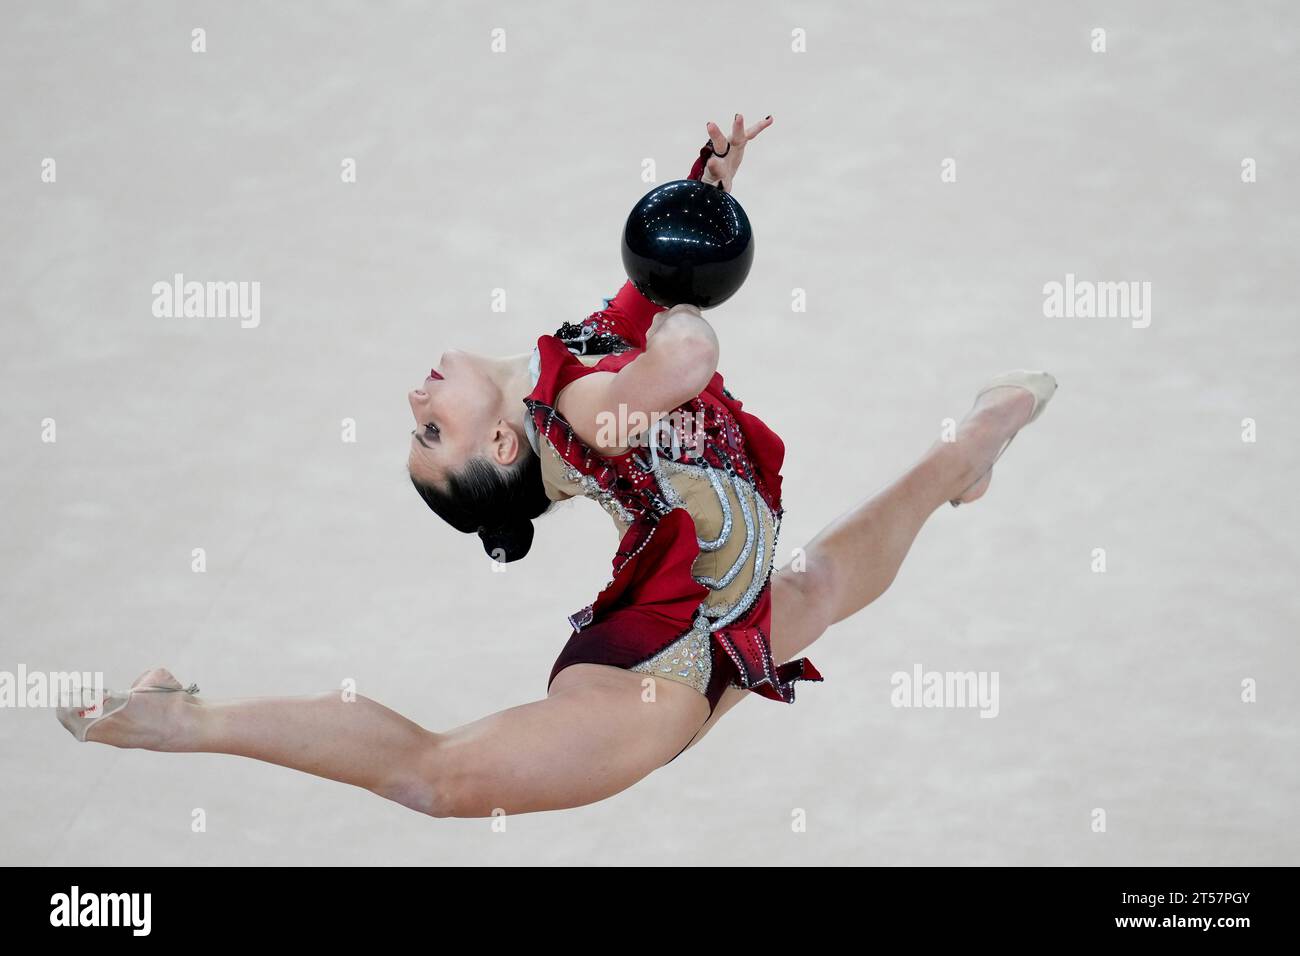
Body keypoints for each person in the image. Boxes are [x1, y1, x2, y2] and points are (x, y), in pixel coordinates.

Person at [57, 114, 1057, 817]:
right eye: (429, 431)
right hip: (654, 677)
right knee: (433, 778)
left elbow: (635, 302)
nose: (415, 400)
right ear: (500, 445)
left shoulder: (565, 361)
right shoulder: (581, 407)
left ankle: (967, 450)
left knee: (823, 583)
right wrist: (683, 322)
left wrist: (700, 195)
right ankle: (188, 720)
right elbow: (683, 357)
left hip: (724, 601)